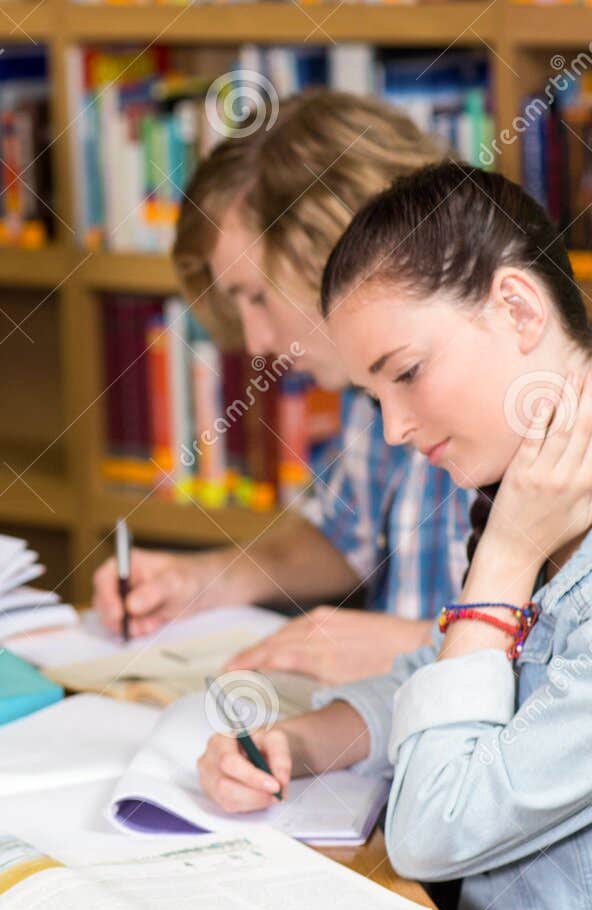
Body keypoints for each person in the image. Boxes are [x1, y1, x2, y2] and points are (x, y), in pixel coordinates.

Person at [195, 162, 592, 910]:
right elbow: (463, 673)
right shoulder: (531, 488)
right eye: (373, 395)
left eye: (406, 374)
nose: (394, 430)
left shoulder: (521, 527)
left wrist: (501, 563)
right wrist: (307, 738)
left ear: (521, 311)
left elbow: (435, 827)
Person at [90, 92, 472, 684]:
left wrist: (412, 645)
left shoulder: (527, 399)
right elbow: (349, 534)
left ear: (338, 248)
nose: (255, 340)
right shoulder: (368, 392)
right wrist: (205, 580)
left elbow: (568, 659)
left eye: (257, 296)